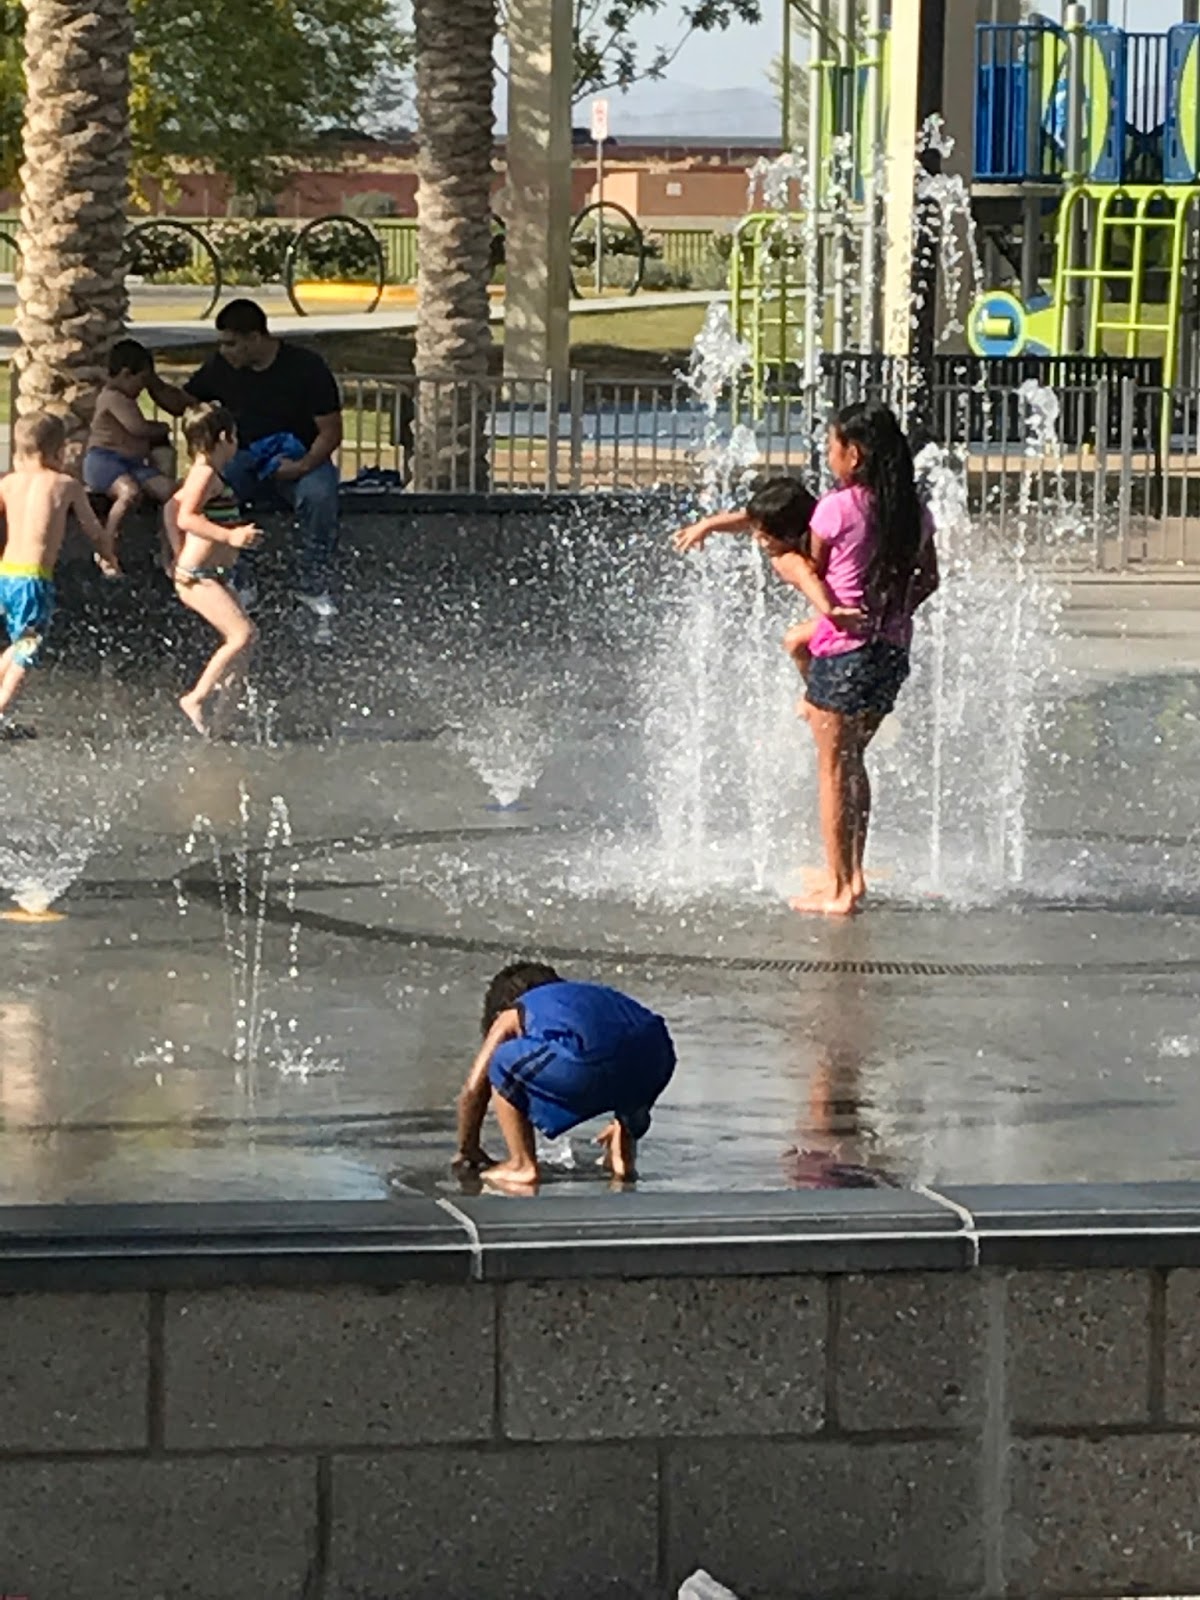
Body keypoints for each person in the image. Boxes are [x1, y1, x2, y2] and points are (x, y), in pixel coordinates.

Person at [674, 406, 939, 918]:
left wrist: (788, 566)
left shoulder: (838, 511)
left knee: (833, 771)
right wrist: (891, 613)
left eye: (832, 447)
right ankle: (853, 875)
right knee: (852, 762)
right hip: (891, 652)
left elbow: (807, 559)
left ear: (853, 455)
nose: (827, 454)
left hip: (844, 655)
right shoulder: (914, 513)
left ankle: (841, 890)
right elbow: (929, 580)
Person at [152, 299, 342, 617]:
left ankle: (313, 583)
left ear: (255, 338)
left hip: (300, 455)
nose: (225, 351)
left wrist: (303, 465)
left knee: (320, 495)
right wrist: (149, 380)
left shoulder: (306, 367)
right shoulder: (221, 367)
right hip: (245, 456)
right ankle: (239, 580)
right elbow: (181, 403)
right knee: (221, 487)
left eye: (232, 343)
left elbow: (331, 430)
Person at [453, 961, 677, 1193]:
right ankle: (623, 1158)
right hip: (659, 1053)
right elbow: (622, 1044)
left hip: (591, 1064)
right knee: (626, 1058)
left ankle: (521, 1165)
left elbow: (473, 1090)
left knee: (501, 1061)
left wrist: (467, 1149)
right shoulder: (581, 997)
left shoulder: (514, 1011)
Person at [672, 475, 861, 691]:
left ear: (788, 535)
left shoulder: (789, 559)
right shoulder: (812, 520)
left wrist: (829, 610)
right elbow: (747, 519)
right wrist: (707, 525)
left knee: (795, 641)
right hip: (859, 608)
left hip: (845, 617)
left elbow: (808, 578)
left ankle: (816, 694)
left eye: (765, 537)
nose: (757, 540)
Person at [0, 412, 119, 729]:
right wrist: (108, 557)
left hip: (6, 575)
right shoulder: (65, 484)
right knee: (28, 648)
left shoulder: (8, 483)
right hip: (33, 579)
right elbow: (94, 530)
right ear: (58, 451)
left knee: (18, 642)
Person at [165, 403, 260, 736]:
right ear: (225, 437)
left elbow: (168, 508)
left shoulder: (205, 474)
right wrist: (230, 535)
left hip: (211, 574)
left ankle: (224, 722)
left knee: (247, 641)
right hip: (199, 576)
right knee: (241, 635)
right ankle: (197, 698)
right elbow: (185, 516)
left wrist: (176, 553)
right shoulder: (204, 474)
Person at [82, 340, 176, 553]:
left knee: (169, 490)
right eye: (141, 381)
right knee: (129, 492)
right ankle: (107, 543)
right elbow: (137, 428)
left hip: (134, 464)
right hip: (105, 461)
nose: (143, 389)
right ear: (126, 374)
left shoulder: (126, 398)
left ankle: (166, 545)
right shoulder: (112, 397)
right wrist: (162, 427)